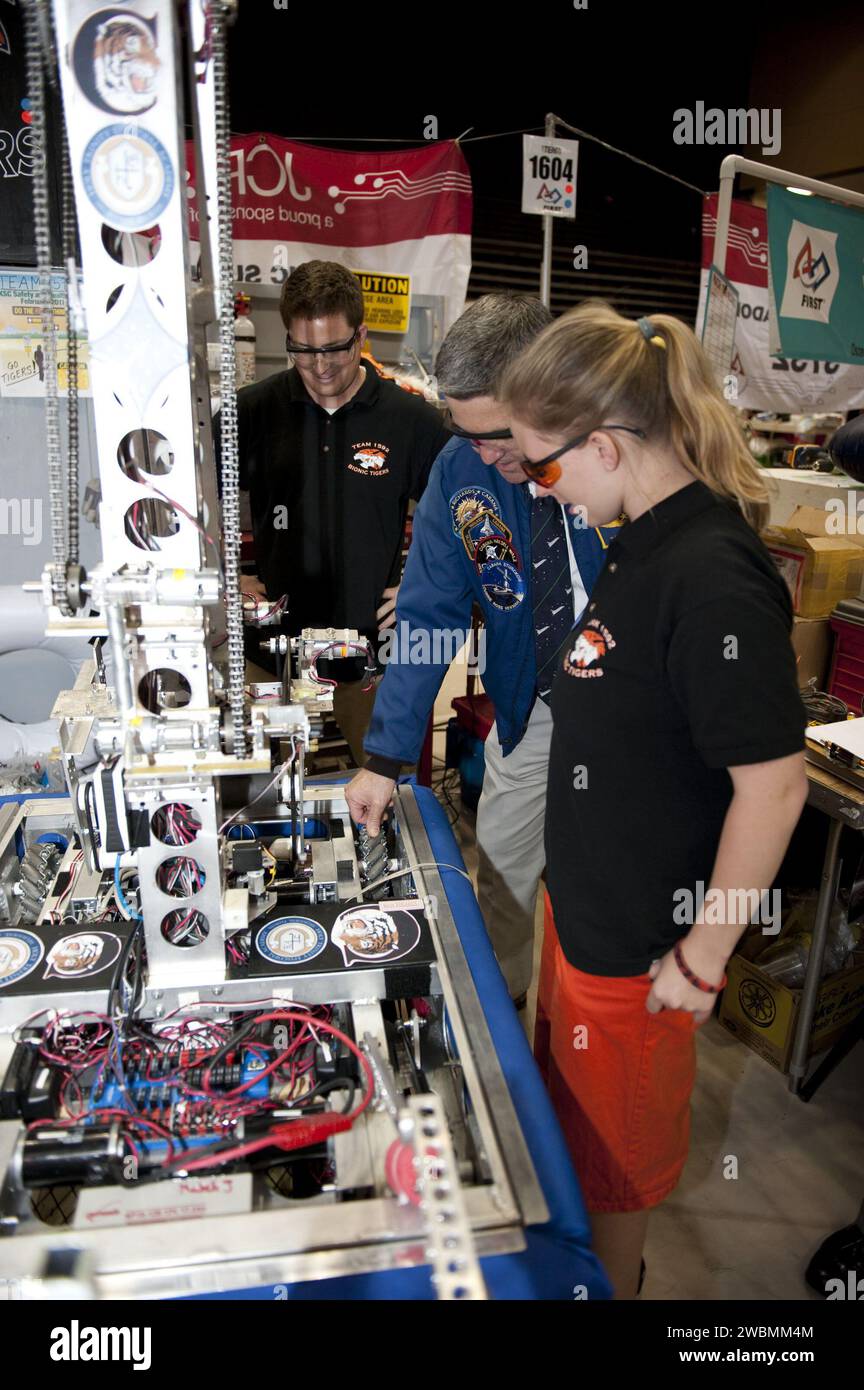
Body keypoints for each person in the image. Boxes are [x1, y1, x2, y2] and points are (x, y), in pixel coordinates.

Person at [498, 302, 808, 1298]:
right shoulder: (637, 534)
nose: (543, 493)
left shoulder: (713, 576)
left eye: (546, 468)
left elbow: (775, 786)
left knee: (612, 1199)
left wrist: (705, 954)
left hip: (643, 961)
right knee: (573, 1169)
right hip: (583, 927)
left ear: (604, 442)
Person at [346, 293, 621, 1003]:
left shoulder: (621, 456)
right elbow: (428, 614)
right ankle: (504, 1033)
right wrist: (384, 758)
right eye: (464, 432)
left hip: (636, 714)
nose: (483, 453)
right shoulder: (461, 473)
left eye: (497, 433)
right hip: (531, 704)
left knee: (613, 897)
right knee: (499, 876)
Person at [218, 260, 449, 763]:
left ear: (360, 335)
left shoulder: (409, 421)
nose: (319, 366)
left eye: (333, 349)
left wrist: (424, 585)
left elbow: (467, 513)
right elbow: (184, 502)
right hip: (269, 654)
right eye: (302, 351)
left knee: (383, 791)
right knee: (258, 788)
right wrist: (226, 573)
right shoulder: (251, 412)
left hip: (368, 657)